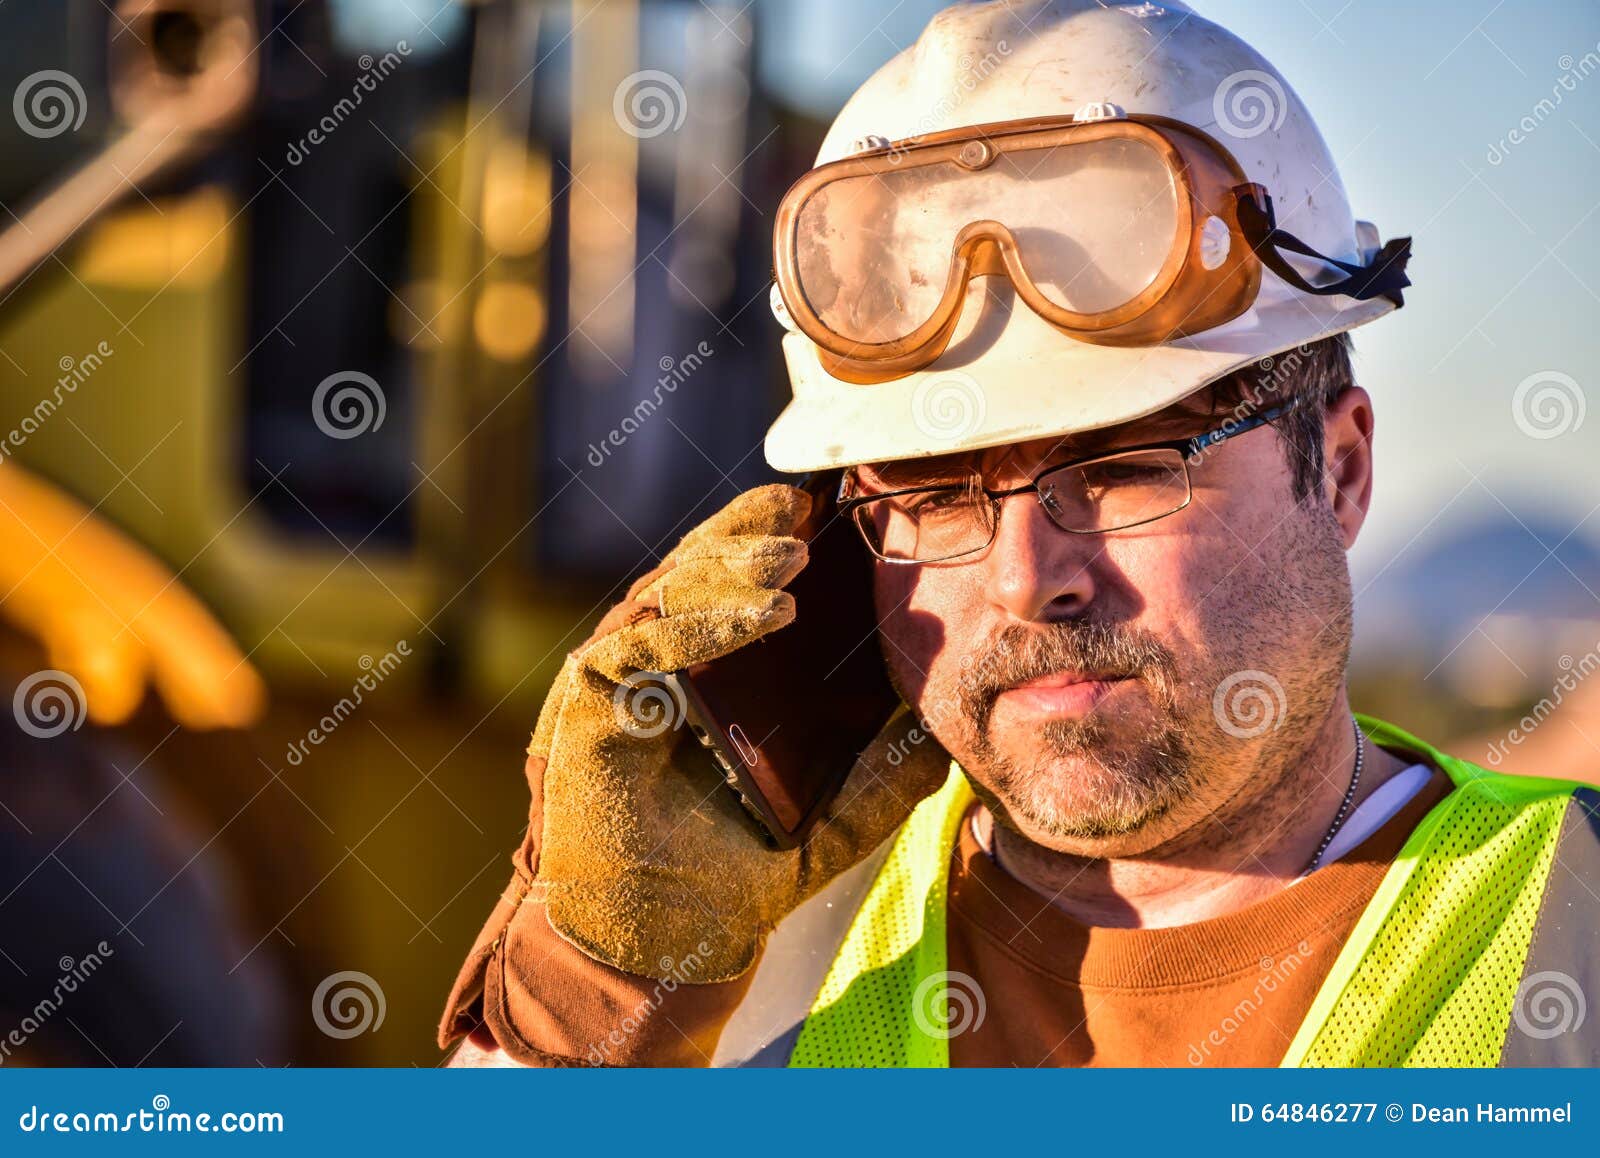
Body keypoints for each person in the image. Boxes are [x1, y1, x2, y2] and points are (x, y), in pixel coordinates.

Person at [440, 0, 1599, 1067]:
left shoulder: (1572, 924)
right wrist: (579, 1006)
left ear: (1339, 469)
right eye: (936, 498)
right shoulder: (750, 957)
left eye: (1120, 472)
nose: (1024, 580)